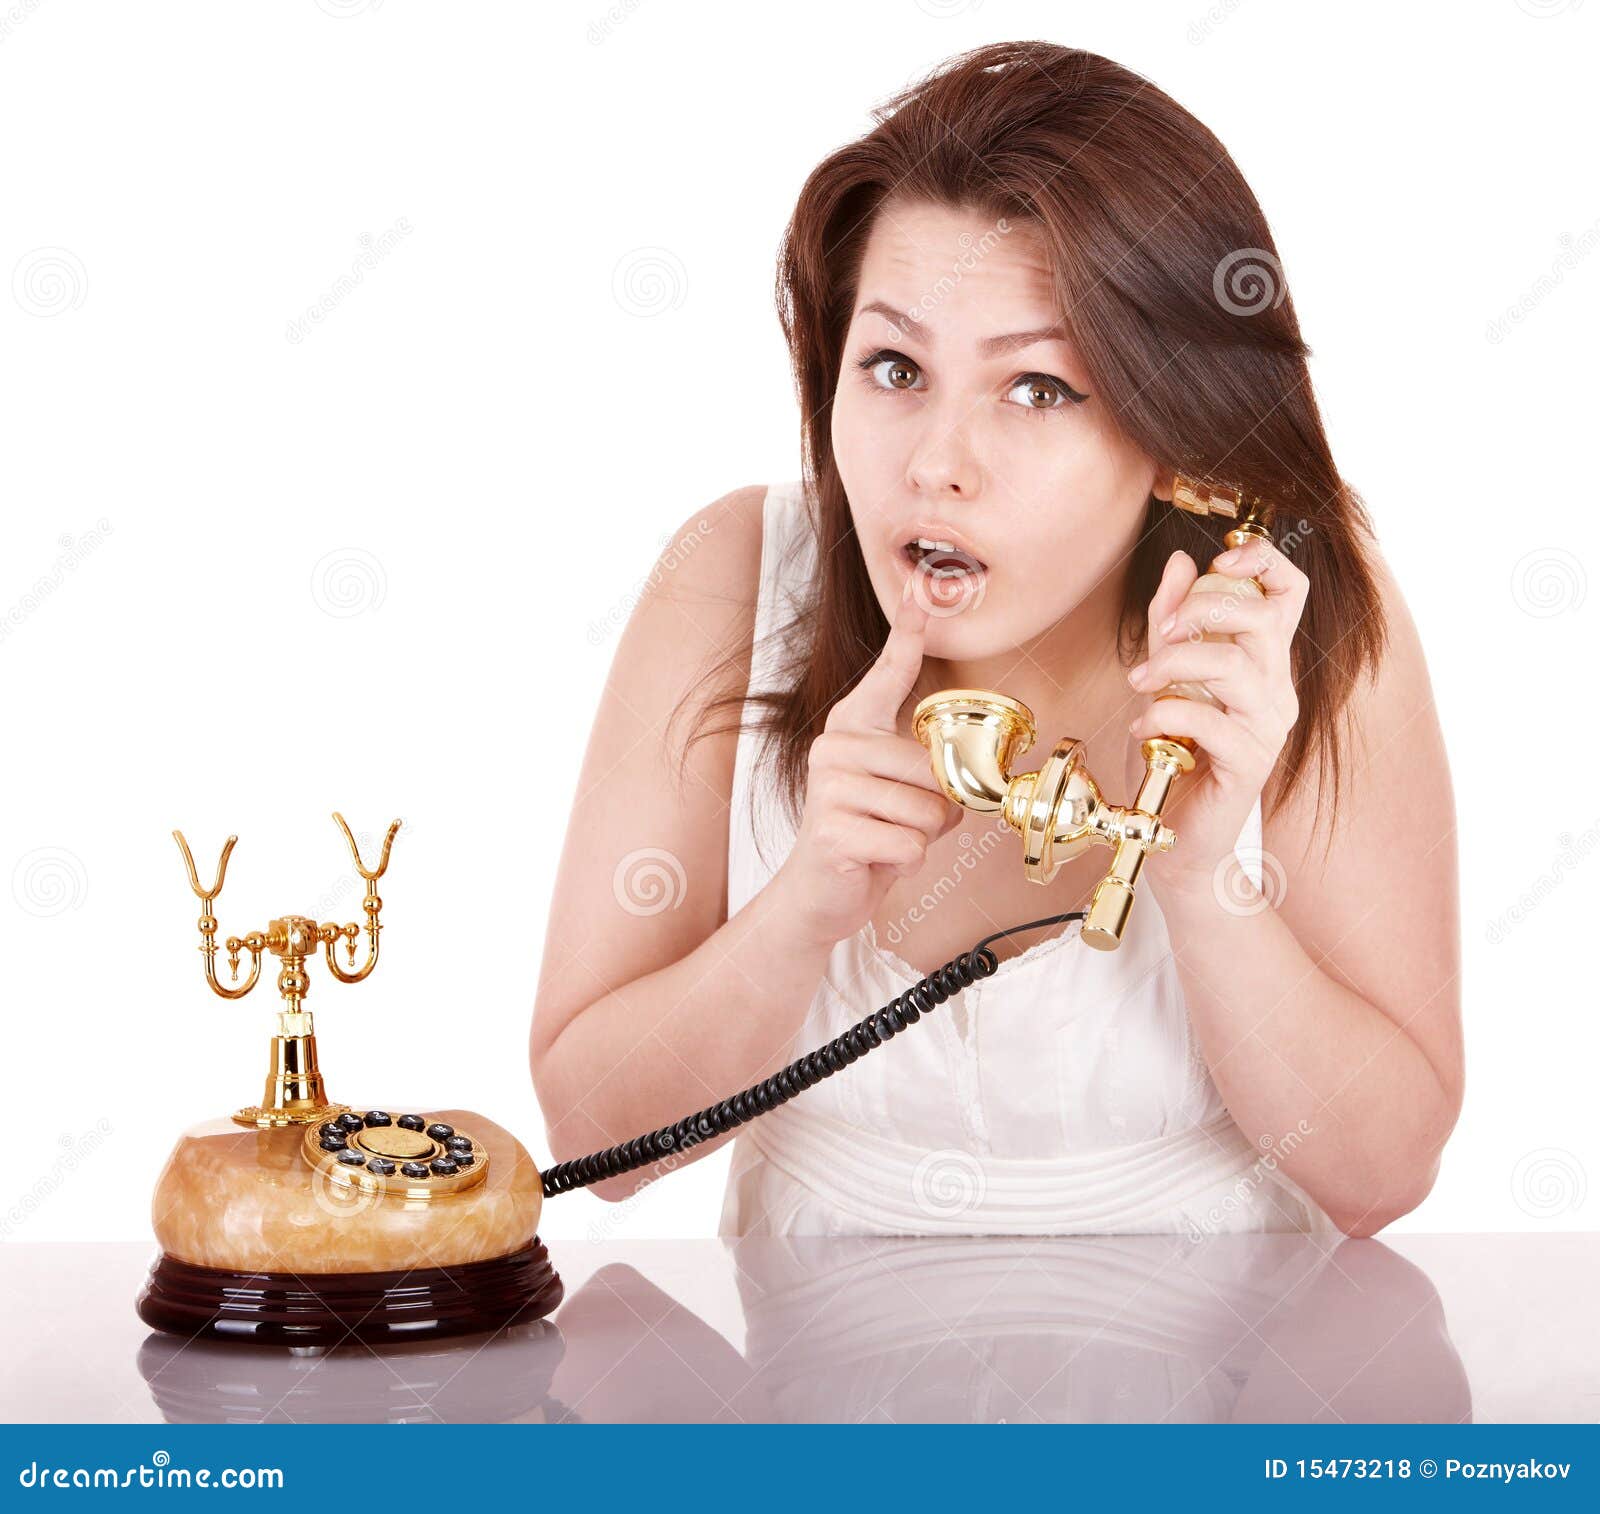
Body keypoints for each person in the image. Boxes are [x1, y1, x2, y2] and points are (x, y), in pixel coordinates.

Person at [529, 41, 1461, 1238]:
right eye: (894, 366)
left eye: (1035, 389)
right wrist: (800, 906)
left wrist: (1204, 881)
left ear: (1176, 430)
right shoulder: (729, 578)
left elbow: (1383, 1172)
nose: (933, 465)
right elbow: (592, 1142)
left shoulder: (1292, 615)